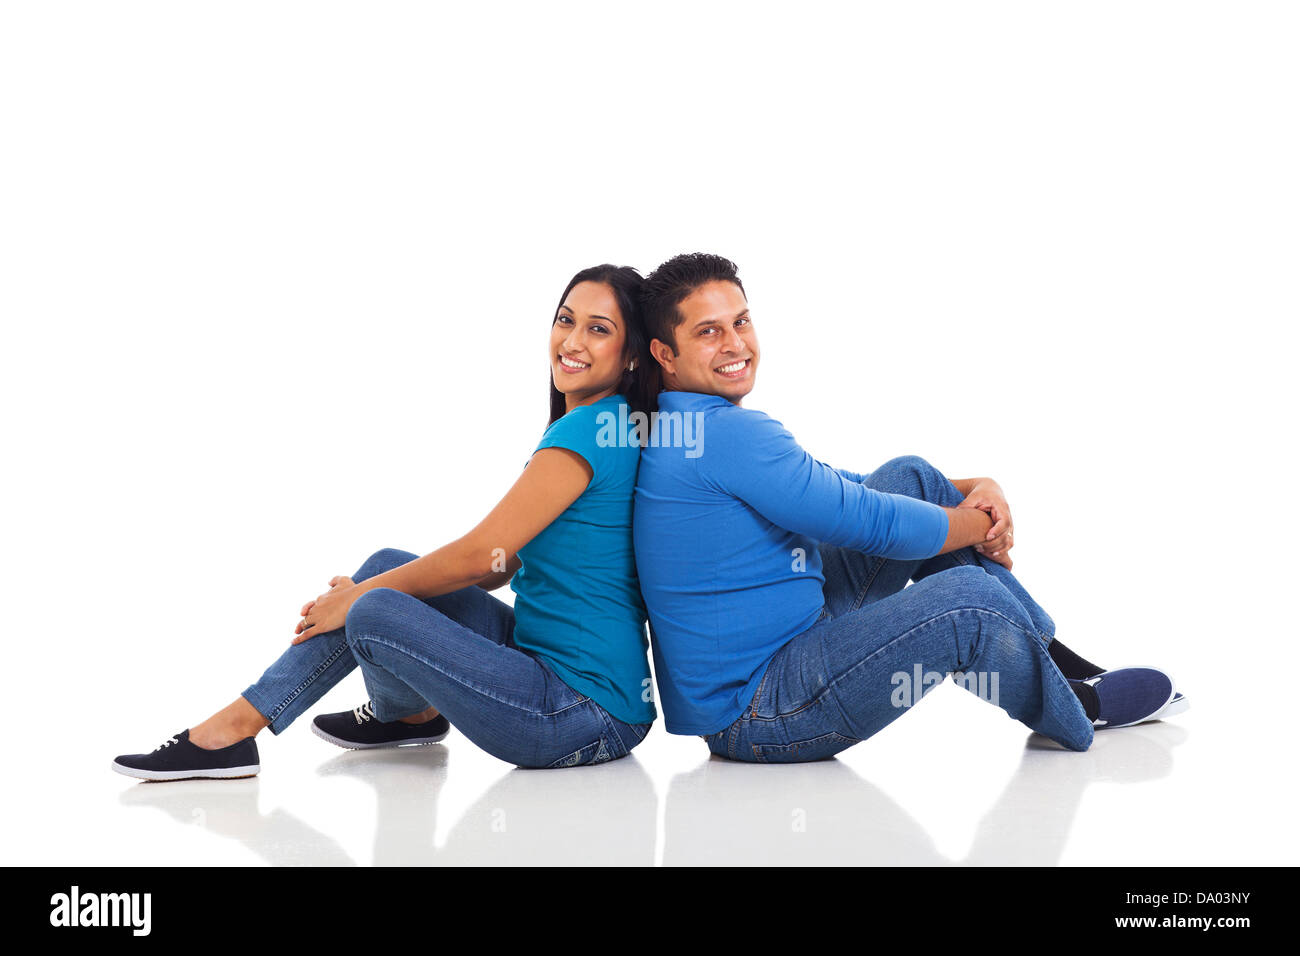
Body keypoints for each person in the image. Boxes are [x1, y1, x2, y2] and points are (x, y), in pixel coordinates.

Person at [632, 252, 1186, 763]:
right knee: (966, 600)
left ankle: (1052, 660)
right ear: (665, 354)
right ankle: (1080, 709)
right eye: (709, 332)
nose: (735, 343)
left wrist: (977, 484)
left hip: (795, 638)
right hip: (762, 706)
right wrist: (979, 522)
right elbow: (871, 522)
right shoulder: (726, 433)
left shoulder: (691, 425)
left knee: (911, 477)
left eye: (741, 322)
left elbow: (833, 487)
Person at [113, 265, 659, 779]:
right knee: (386, 570)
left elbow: (478, 555)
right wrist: (375, 591)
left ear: (632, 355)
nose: (571, 341)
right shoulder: (609, 425)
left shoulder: (584, 432)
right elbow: (498, 567)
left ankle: (234, 729)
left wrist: (359, 600)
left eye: (598, 329)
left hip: (577, 711)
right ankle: (405, 717)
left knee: (374, 603)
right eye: (566, 320)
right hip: (565, 674)